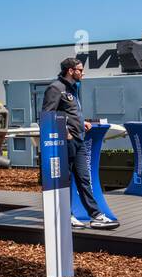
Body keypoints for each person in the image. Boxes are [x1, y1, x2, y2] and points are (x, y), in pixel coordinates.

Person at [42, 57, 118, 229]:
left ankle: (96, 215)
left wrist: (81, 123)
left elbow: (69, 112)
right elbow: (48, 115)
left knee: (84, 179)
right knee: (66, 180)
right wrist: (66, 132)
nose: (83, 73)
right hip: (66, 142)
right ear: (70, 71)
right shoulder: (55, 88)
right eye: (80, 70)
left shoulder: (72, 88)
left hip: (80, 140)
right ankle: (66, 215)